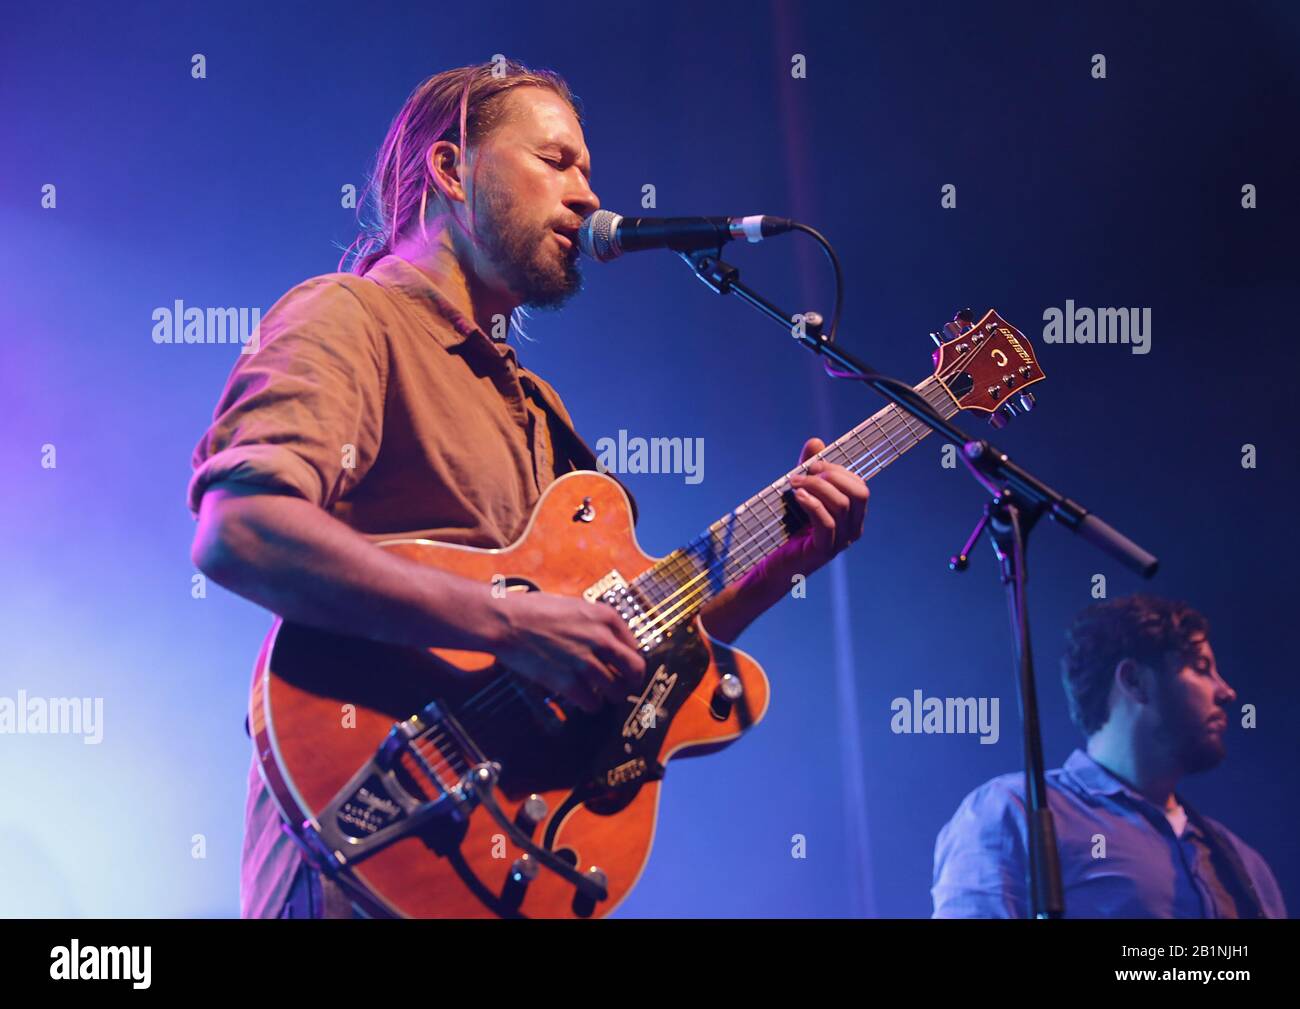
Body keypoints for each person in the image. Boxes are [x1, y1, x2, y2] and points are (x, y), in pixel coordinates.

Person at [188, 60, 869, 918]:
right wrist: (508, 623)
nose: (588, 196)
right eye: (556, 161)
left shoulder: (543, 411)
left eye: (586, 169)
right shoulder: (347, 317)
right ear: (449, 170)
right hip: (369, 844)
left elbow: (627, 652)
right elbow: (240, 528)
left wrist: (781, 562)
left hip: (503, 857)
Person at [931, 594, 1286, 918]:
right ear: (1134, 680)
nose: (1227, 691)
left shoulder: (1242, 861)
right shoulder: (1014, 810)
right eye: (1200, 667)